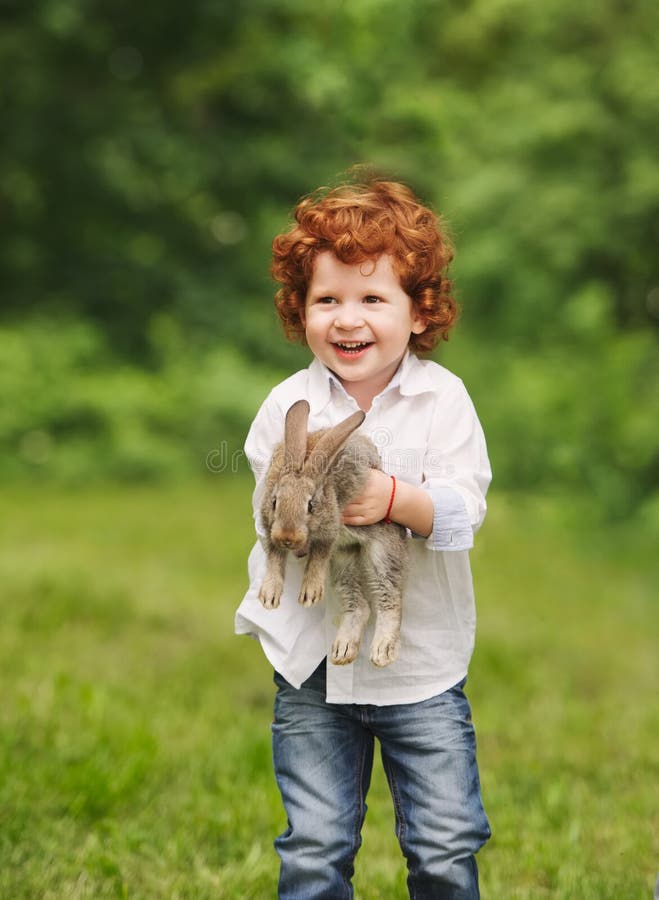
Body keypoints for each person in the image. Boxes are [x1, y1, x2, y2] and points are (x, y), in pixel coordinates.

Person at [235, 173, 492, 899]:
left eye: (372, 299)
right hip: (310, 664)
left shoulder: (442, 401)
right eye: (327, 300)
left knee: (444, 843)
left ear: (418, 313)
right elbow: (271, 512)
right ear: (300, 310)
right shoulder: (285, 405)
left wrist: (394, 498)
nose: (347, 320)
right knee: (314, 845)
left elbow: (463, 510)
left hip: (421, 669)